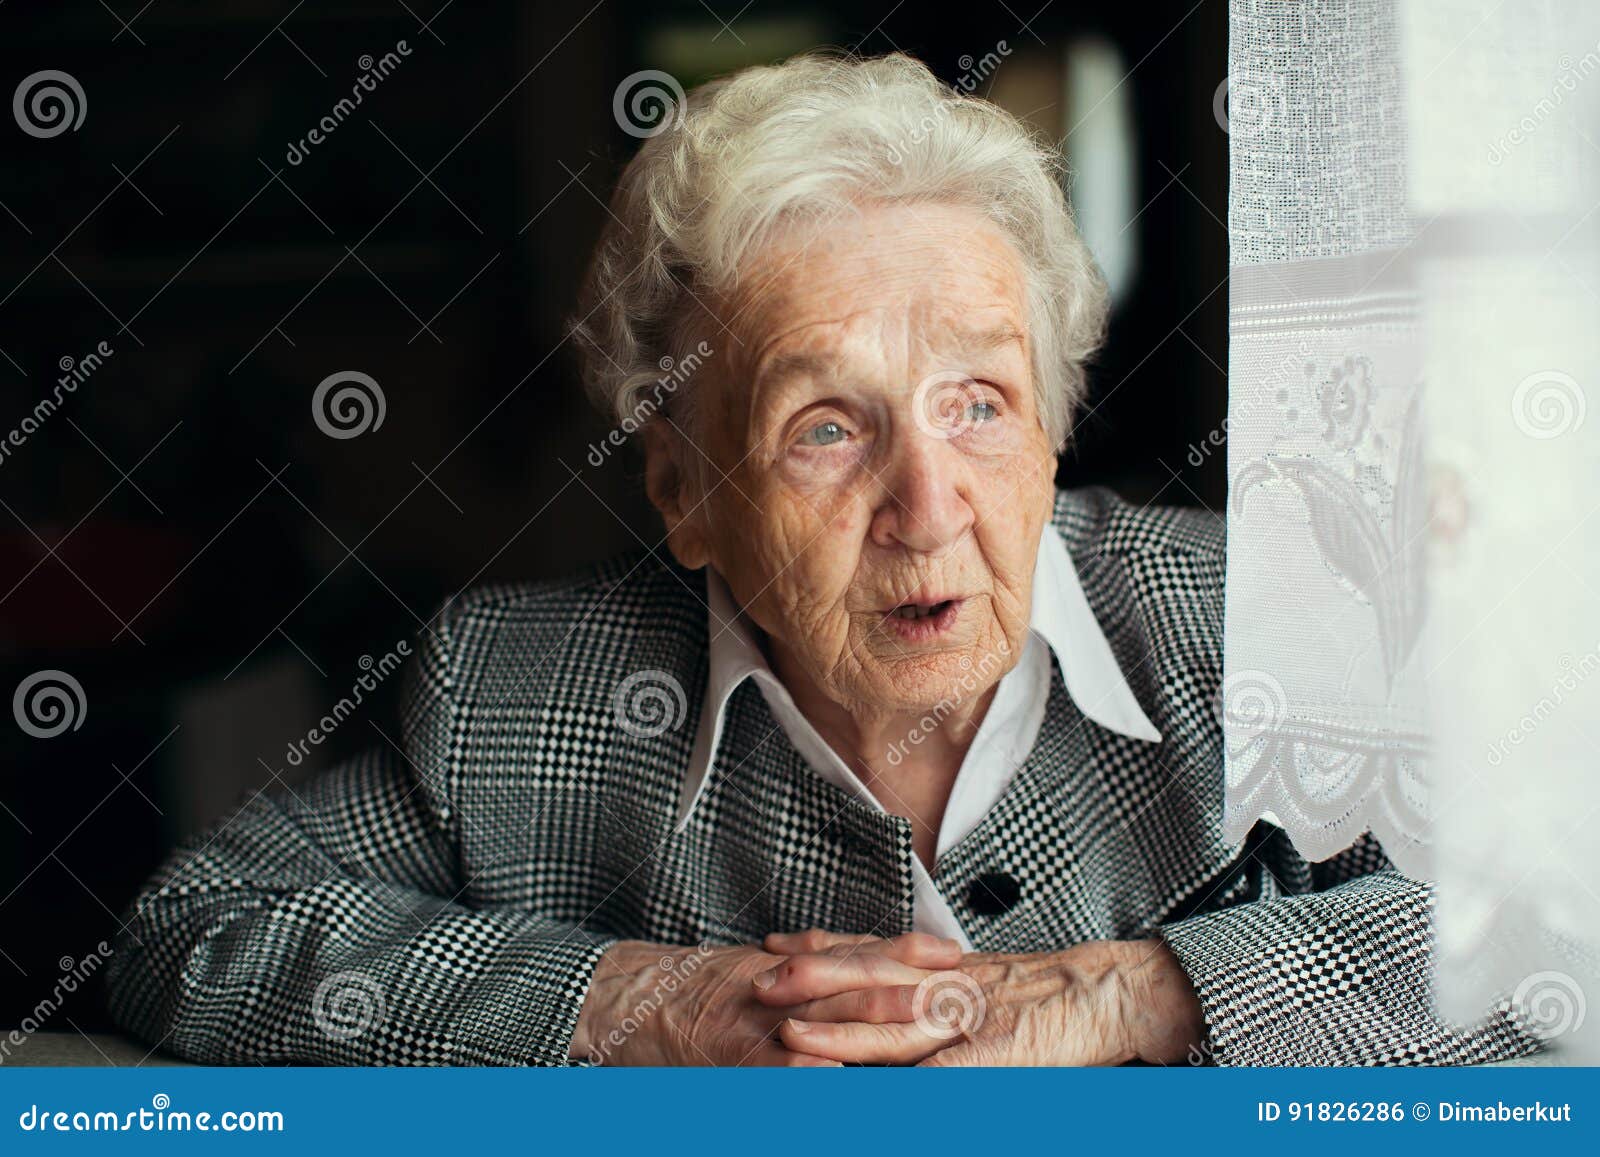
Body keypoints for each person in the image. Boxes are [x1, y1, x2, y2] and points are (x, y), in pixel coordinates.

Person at [105, 52, 1539, 1067]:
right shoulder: (511, 695)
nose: (928, 502)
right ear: (683, 489)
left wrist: (1135, 994)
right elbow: (196, 932)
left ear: (1053, 430)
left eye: (980, 404)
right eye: (825, 427)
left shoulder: (1281, 619)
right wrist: (647, 1004)